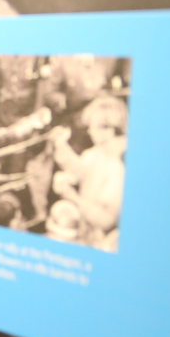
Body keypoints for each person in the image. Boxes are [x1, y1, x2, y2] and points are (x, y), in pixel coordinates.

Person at [50, 94, 127, 250]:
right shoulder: (95, 154)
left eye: (94, 126)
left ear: (110, 128)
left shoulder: (118, 166)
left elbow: (107, 220)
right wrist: (61, 146)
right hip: (84, 232)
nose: (90, 131)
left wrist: (72, 196)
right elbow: (79, 170)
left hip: (103, 243)